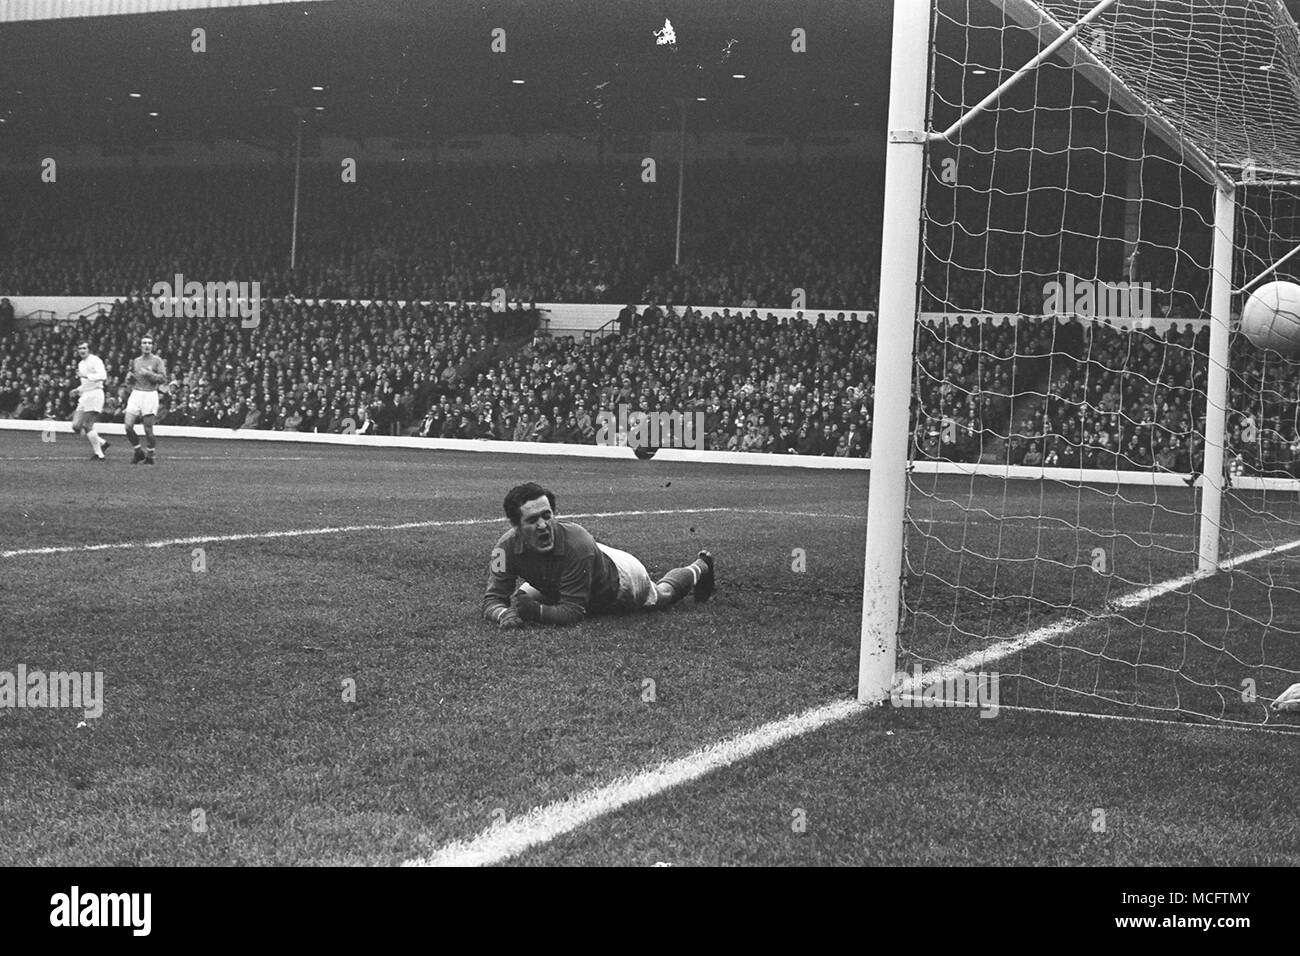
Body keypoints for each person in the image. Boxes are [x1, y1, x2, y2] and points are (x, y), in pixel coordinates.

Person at [482, 482, 715, 629]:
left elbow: (573, 612)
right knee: (522, 599)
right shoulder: (502, 550)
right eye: (533, 520)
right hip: (571, 568)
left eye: (547, 515)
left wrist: (537, 613)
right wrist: (504, 614)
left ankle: (700, 567)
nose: (543, 525)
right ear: (516, 526)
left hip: (620, 580)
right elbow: (492, 600)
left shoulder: (576, 546)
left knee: (661, 595)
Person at [123, 334, 168, 465]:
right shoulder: (136, 361)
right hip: (136, 393)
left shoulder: (157, 361)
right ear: (140, 346)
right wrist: (129, 378)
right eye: (144, 343)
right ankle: (138, 451)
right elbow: (131, 377)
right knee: (128, 426)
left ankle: (150, 455)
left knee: (148, 429)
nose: (147, 345)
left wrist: (149, 374)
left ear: (152, 346)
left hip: (150, 394)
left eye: (149, 343)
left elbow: (163, 379)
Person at [70, 341, 110, 461]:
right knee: (76, 426)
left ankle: (99, 454)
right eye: (80, 348)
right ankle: (102, 443)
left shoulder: (95, 360)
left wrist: (87, 376)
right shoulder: (80, 364)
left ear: (89, 350)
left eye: (84, 348)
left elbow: (103, 375)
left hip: (95, 394)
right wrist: (78, 389)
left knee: (88, 425)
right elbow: (85, 383)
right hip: (85, 395)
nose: (82, 351)